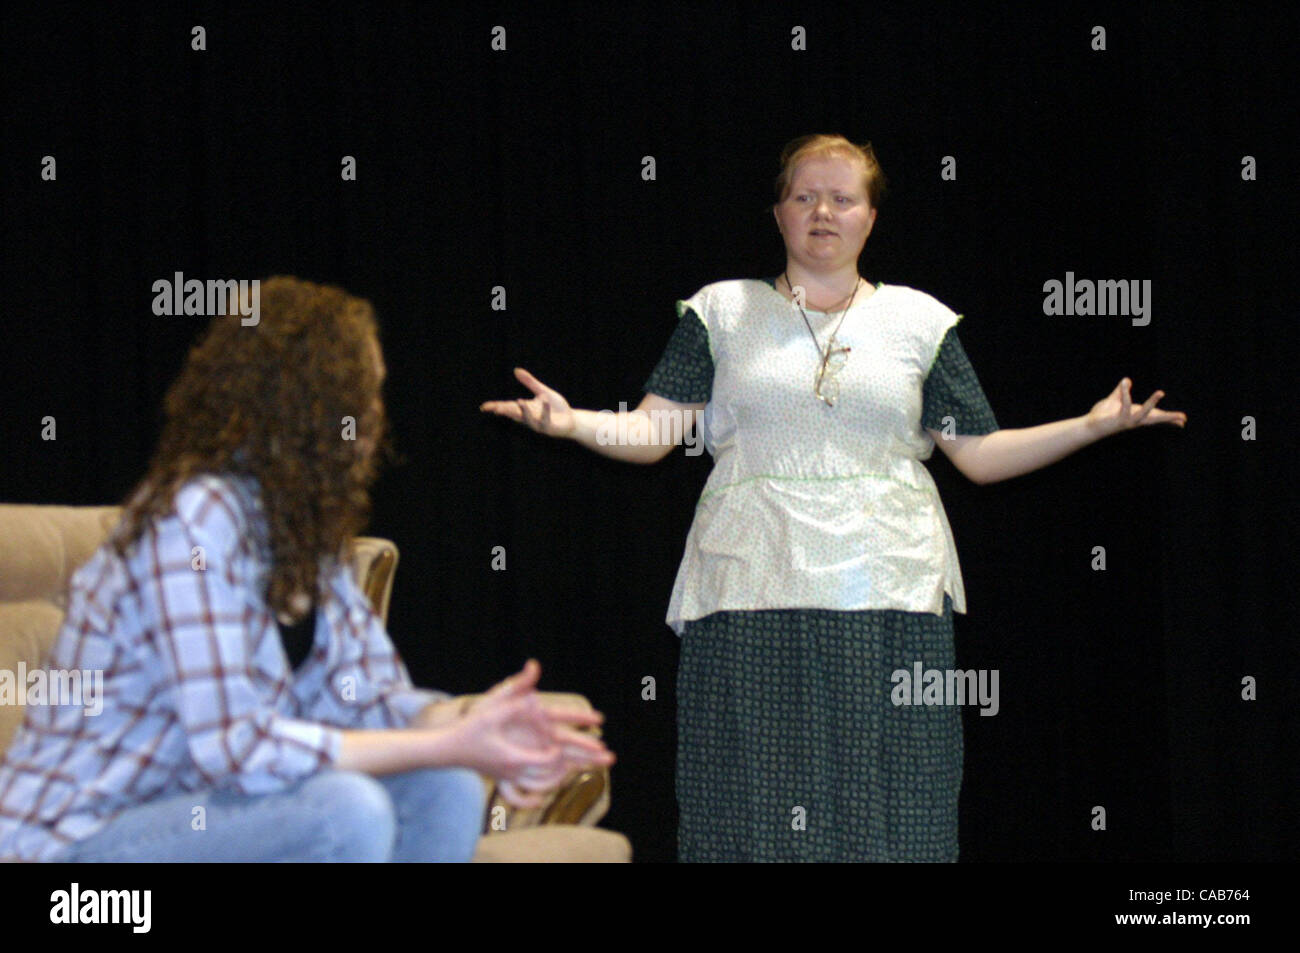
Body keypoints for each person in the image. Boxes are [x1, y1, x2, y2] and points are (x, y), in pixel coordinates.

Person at [480, 133, 1186, 862]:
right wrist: (570, 423)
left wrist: (1091, 426)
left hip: (890, 587)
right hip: (751, 580)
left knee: (892, 801)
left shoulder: (918, 322)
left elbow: (978, 455)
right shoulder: (722, 312)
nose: (823, 211)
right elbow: (653, 431)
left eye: (842, 197)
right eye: (803, 196)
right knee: (748, 794)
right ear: (779, 213)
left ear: (871, 217)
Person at [0, 276, 614, 863]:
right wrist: (445, 740)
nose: (374, 422)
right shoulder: (189, 522)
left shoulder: (302, 536)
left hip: (203, 813)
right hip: (76, 842)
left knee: (445, 785)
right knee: (345, 812)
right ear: (309, 407)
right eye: (363, 397)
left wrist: (478, 725)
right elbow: (237, 750)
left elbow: (372, 697)